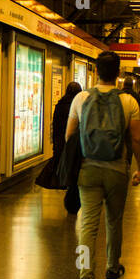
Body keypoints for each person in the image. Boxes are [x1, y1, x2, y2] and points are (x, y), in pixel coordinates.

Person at [66, 51, 140, 279]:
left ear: (96, 71)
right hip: (117, 171)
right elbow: (136, 138)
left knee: (87, 225)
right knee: (114, 220)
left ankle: (85, 278)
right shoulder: (128, 102)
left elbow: (69, 135)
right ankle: (112, 270)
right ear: (118, 73)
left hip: (87, 171)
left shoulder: (81, 97)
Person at [51, 81, 82, 214]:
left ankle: (66, 187)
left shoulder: (59, 104)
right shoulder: (77, 105)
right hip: (73, 144)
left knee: (65, 168)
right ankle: (72, 200)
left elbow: (55, 125)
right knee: (74, 170)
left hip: (60, 142)